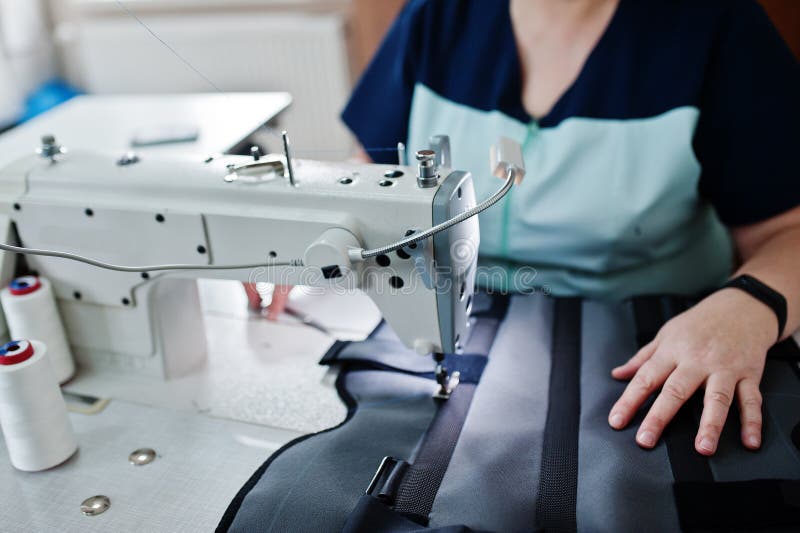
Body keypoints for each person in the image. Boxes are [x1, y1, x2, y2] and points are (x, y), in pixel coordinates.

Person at [336, 0, 800, 457]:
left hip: (652, 349)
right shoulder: (435, 15)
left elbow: (788, 229)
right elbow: (369, 176)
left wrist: (749, 308)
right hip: (459, 324)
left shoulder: (719, 24)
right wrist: (297, 243)